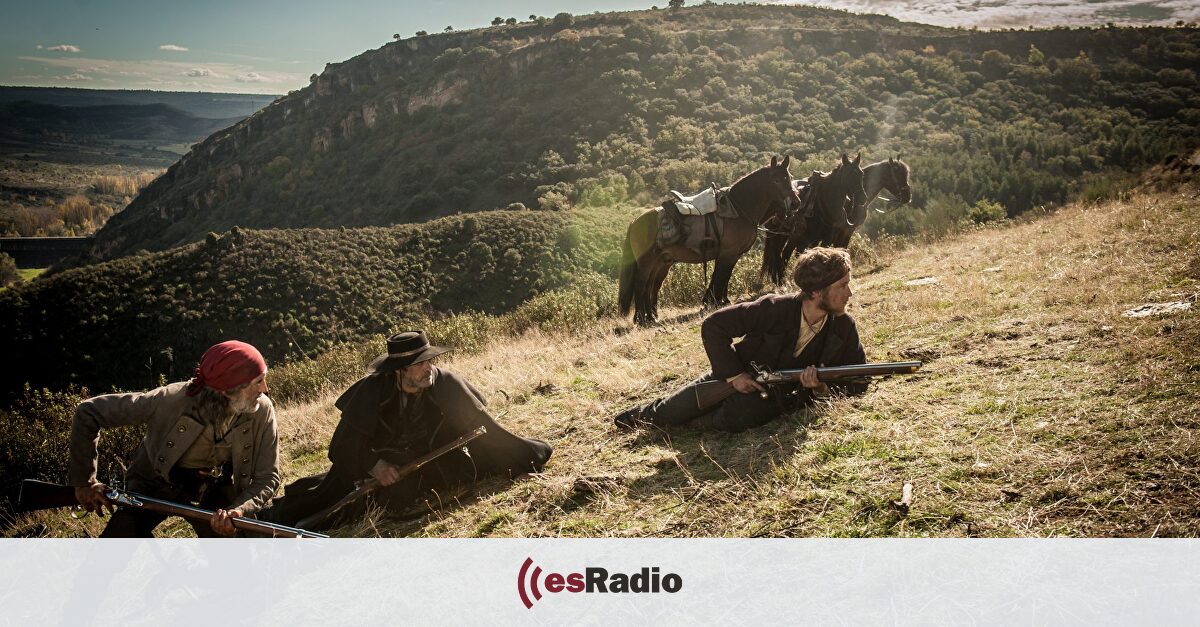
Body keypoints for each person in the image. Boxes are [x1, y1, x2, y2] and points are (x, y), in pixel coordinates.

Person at [262, 331, 552, 530]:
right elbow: (341, 448)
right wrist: (374, 465)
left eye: (429, 360)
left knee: (475, 466)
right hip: (378, 471)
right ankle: (265, 519)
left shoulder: (444, 382)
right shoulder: (373, 392)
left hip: (430, 461)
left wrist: (523, 459)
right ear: (399, 370)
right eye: (419, 363)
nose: (429, 367)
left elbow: (485, 430)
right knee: (334, 508)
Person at [615, 246, 868, 432]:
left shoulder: (844, 327)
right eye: (842, 286)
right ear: (815, 291)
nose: (850, 293)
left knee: (735, 417)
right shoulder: (772, 308)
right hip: (736, 374)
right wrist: (735, 376)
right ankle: (643, 416)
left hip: (771, 400)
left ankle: (694, 426)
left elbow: (859, 380)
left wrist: (821, 388)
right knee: (666, 414)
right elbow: (714, 326)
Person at [69, 340, 279, 537]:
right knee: (115, 544)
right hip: (152, 486)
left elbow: (267, 477)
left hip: (210, 488)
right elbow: (89, 412)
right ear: (228, 390)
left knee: (233, 556)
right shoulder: (169, 400)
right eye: (258, 382)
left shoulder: (261, 409)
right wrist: (84, 481)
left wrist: (238, 511)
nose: (265, 389)